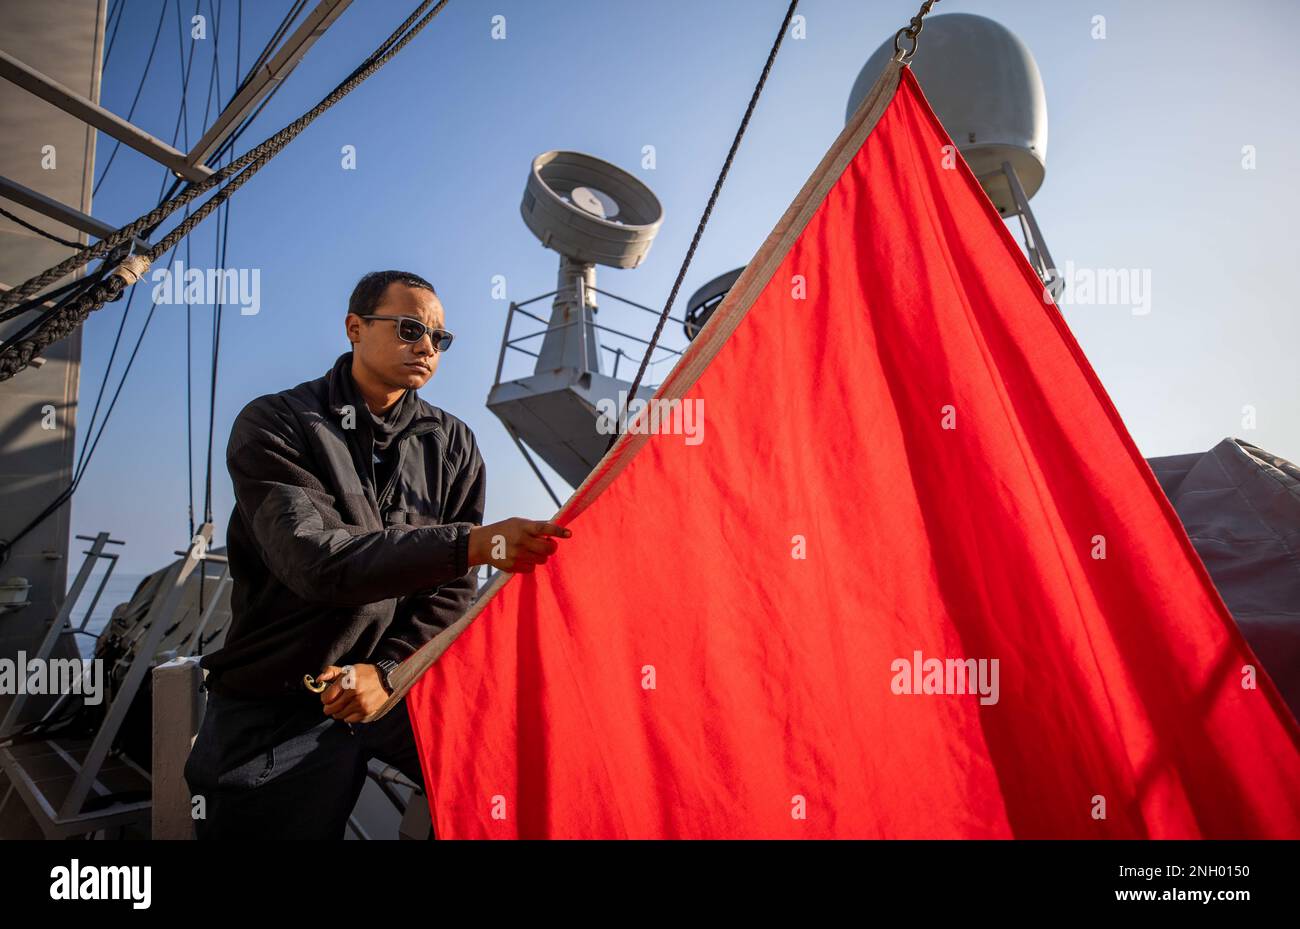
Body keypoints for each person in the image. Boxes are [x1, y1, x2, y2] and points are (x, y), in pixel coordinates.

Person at [184, 269, 571, 838]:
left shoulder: (455, 443)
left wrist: (387, 671)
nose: (427, 347)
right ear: (355, 328)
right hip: (283, 702)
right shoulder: (277, 424)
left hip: (401, 689)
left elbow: (452, 592)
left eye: (440, 339)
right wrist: (473, 542)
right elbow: (318, 562)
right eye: (411, 328)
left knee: (524, 775)